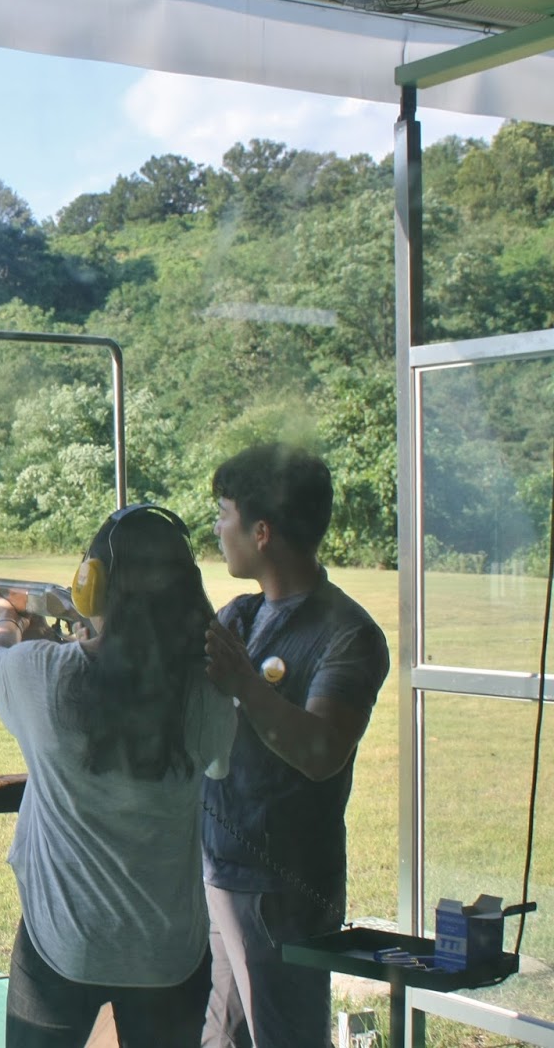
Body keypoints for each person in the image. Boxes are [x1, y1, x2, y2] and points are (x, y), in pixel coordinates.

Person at [0, 504, 237, 1048]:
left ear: (92, 588)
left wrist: (7, 619)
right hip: (170, 954)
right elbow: (214, 759)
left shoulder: (43, 675)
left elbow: (2, 658)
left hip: (63, 944)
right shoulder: (206, 692)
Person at [201, 443, 391, 1048]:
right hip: (220, 873)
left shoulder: (349, 636)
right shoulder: (239, 616)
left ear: (261, 532)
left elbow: (321, 751)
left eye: (223, 513)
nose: (216, 527)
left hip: (282, 890)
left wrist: (244, 685)